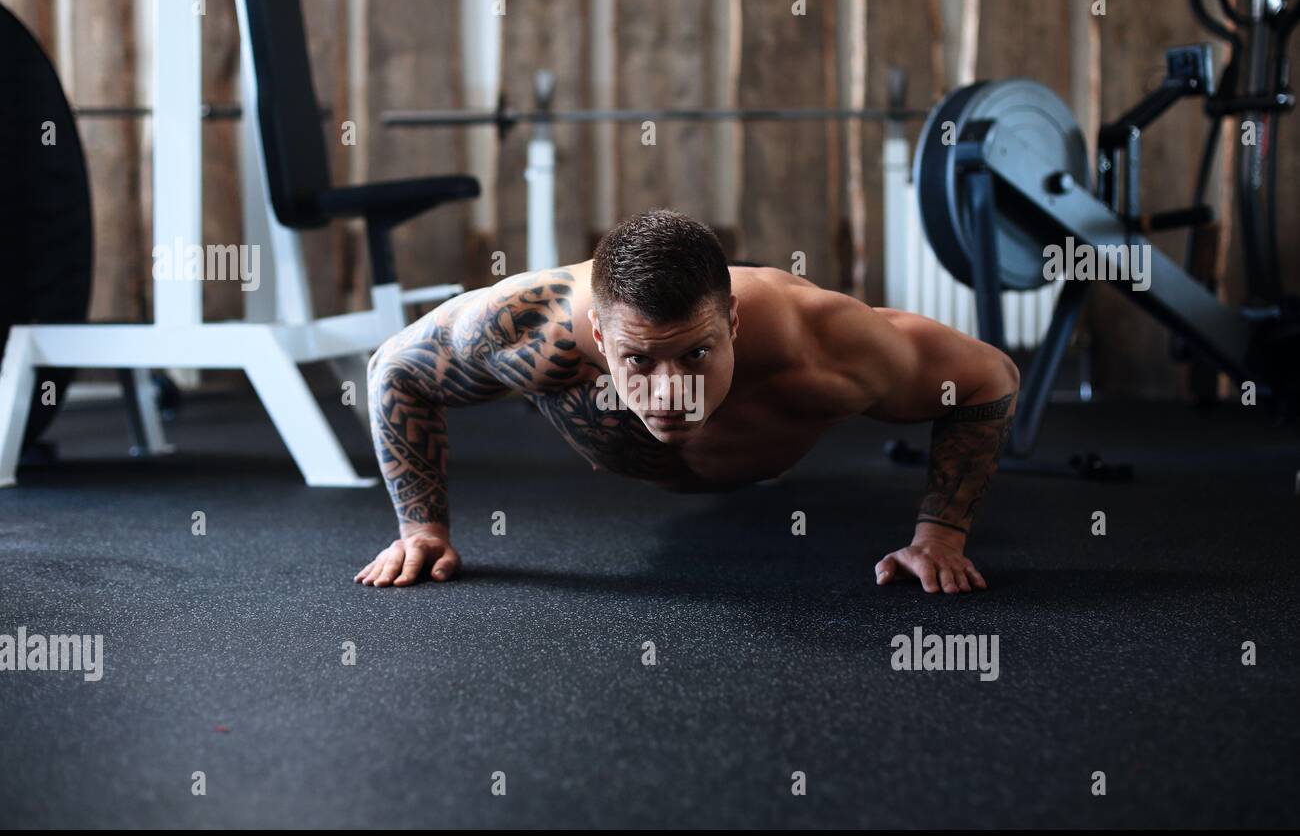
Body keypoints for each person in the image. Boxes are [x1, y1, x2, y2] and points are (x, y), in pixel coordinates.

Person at [356, 210, 1019, 593]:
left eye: (696, 354)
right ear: (596, 336)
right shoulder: (526, 328)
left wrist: (940, 534)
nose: (671, 392)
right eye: (638, 361)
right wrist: (423, 529)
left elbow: (988, 377)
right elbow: (393, 370)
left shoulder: (823, 343)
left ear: (732, 324)